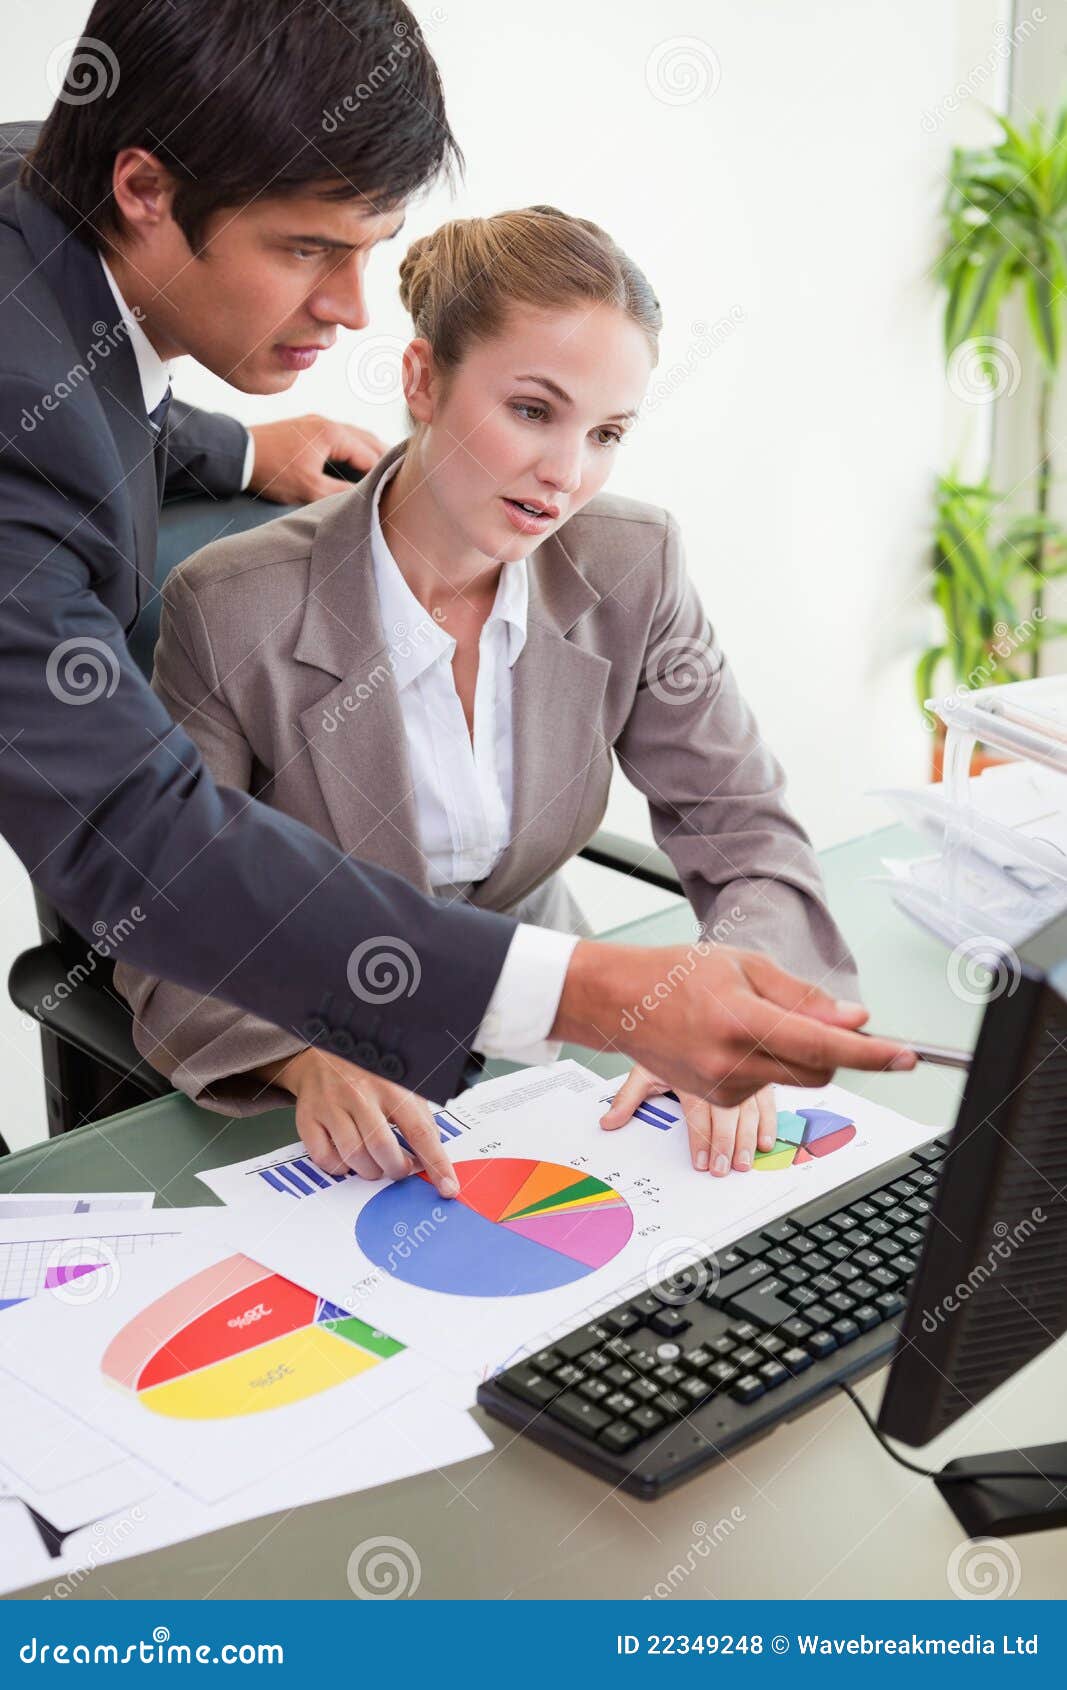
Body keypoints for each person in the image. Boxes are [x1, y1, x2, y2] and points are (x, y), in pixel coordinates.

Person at [0, 2, 913, 1200]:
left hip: (540, 1103)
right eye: (306, 248)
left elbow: (100, 398)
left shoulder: (41, 206)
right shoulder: (201, 577)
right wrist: (593, 995)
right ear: (143, 190)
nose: (350, 305)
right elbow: (147, 848)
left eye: (606, 432)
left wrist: (238, 450)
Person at [117, 205, 896, 1183]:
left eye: (605, 432)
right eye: (532, 410)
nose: (565, 474)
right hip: (324, 1063)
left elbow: (747, 834)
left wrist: (731, 1016)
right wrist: (297, 1057)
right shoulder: (232, 604)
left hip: (561, 1053)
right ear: (421, 380)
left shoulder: (630, 562)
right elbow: (164, 910)